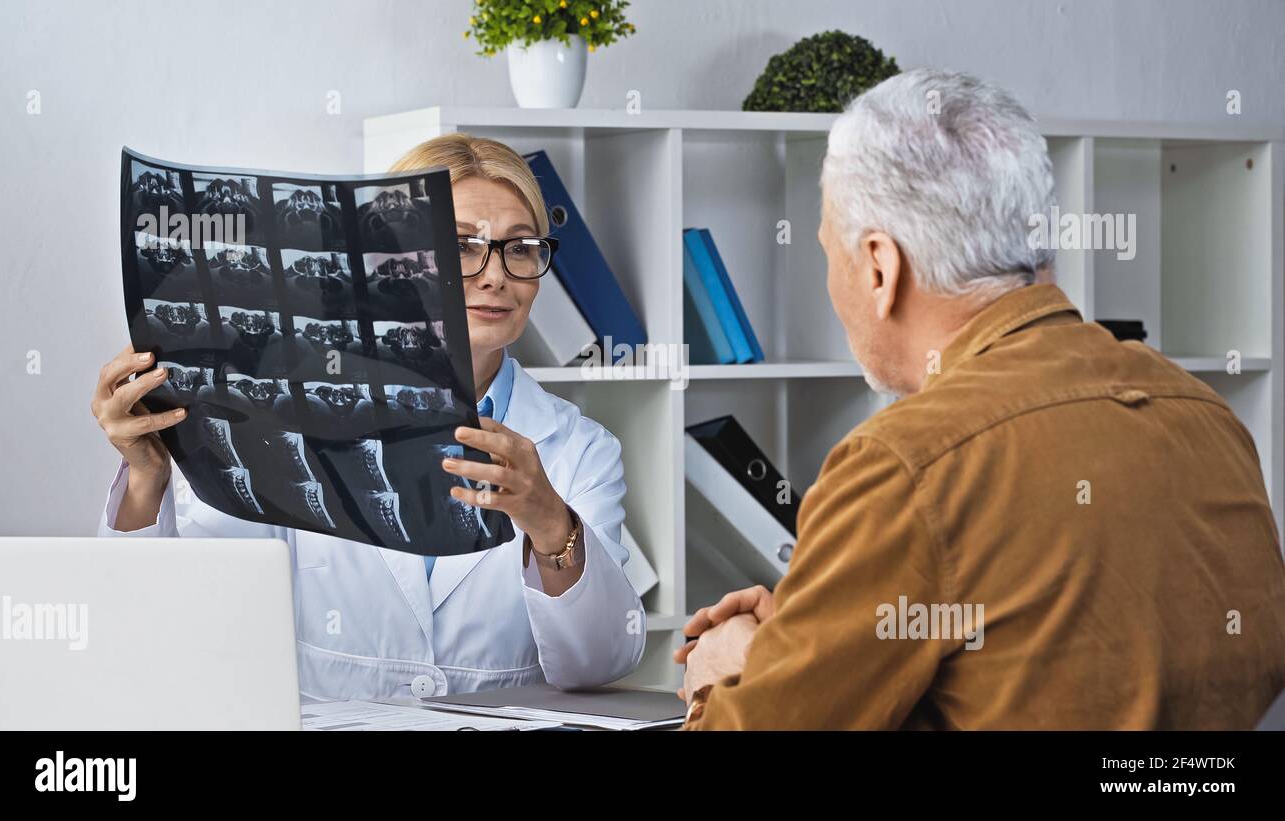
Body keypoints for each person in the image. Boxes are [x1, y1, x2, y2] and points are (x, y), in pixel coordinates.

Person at [676, 69, 1285, 729]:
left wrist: (726, 676)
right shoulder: (1206, 415)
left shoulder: (902, 466)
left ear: (881, 267)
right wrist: (812, 643)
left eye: (830, 252)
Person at [91, 134, 645, 699]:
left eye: (520, 246)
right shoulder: (283, 411)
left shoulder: (579, 449)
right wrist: (148, 476)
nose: (496, 275)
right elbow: (180, 621)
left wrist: (552, 523)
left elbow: (598, 663)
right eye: (459, 245)